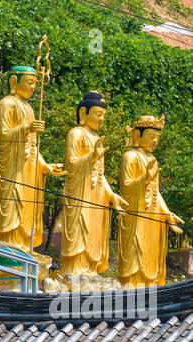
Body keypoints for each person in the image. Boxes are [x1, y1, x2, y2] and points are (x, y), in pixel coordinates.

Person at [0, 66, 65, 251]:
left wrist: (43, 165)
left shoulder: (30, 109)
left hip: (29, 169)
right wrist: (27, 127)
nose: (33, 87)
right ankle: (9, 248)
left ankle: (26, 247)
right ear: (14, 82)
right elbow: (3, 136)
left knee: (28, 208)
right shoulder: (7, 103)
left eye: (35, 83)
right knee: (14, 205)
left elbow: (32, 146)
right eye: (29, 82)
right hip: (13, 168)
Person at [60, 91, 128, 278]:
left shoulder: (96, 139)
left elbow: (100, 174)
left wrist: (111, 194)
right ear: (83, 113)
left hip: (96, 195)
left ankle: (90, 271)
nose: (101, 119)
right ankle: (73, 271)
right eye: (98, 114)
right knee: (80, 231)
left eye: (103, 116)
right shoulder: (76, 134)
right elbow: (70, 165)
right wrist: (91, 156)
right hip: (80, 194)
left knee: (94, 235)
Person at [117, 115, 183, 287]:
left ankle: (150, 284)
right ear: (138, 135)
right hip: (136, 214)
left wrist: (167, 213)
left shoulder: (153, 161)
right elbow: (125, 188)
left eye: (157, 138)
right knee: (136, 250)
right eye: (152, 136)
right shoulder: (129, 156)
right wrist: (144, 179)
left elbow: (156, 193)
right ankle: (132, 284)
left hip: (152, 214)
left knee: (151, 252)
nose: (155, 141)